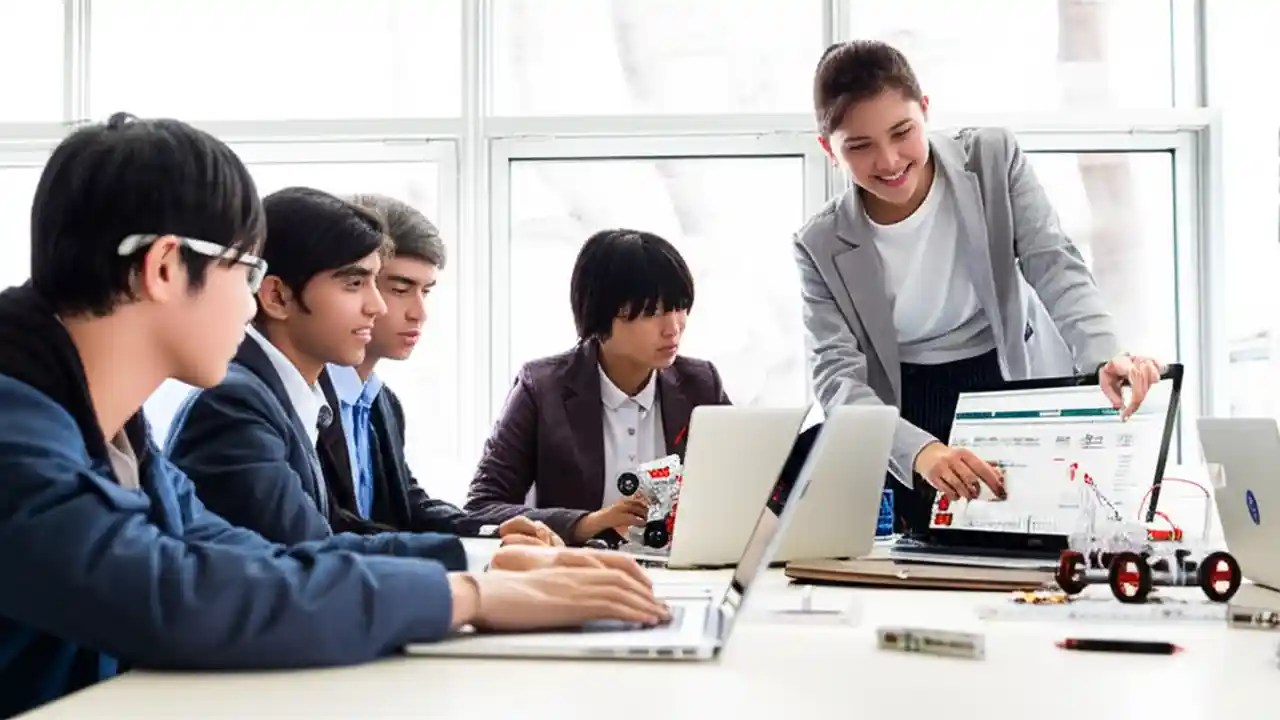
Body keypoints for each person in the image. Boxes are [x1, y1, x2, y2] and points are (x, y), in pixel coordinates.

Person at [0, 113, 665, 718]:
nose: (253, 299)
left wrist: (486, 569)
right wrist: (473, 598)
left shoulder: (118, 434)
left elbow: (253, 556)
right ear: (167, 267)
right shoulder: (15, 431)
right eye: (245, 268)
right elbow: (175, 592)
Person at [794, 41, 1165, 532]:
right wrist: (919, 451)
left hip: (1007, 376)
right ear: (828, 150)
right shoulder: (819, 243)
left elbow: (1054, 262)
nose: (888, 161)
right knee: (927, 554)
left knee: (1035, 537)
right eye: (859, 147)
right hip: (907, 409)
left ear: (925, 111)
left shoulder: (991, 157)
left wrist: (1103, 356)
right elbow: (837, 378)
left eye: (902, 132)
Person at [164, 187, 553, 547]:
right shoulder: (235, 404)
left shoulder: (311, 398)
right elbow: (315, 553)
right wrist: (481, 569)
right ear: (277, 296)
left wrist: (489, 540)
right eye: (355, 284)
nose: (379, 307)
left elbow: (362, 521)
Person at [465, 229, 731, 546]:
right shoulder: (543, 387)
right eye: (653, 312)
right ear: (601, 312)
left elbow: (744, 492)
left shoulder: (701, 384)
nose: (673, 327)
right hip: (580, 577)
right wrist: (586, 523)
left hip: (686, 575)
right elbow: (480, 508)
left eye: (680, 307)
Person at [317, 194, 559, 543]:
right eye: (400, 289)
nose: (419, 312)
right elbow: (330, 528)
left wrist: (491, 531)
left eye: (426, 292)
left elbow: (409, 506)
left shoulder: (381, 401)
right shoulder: (305, 397)